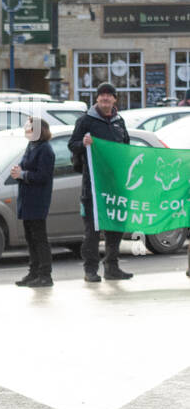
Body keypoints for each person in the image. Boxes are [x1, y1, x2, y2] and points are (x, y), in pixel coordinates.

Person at [67, 82, 132, 282]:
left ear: (114, 99)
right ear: (97, 99)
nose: (105, 99)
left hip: (116, 186)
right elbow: (72, 144)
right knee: (92, 231)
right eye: (102, 95)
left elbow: (126, 147)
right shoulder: (86, 121)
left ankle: (112, 267)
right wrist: (83, 143)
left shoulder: (119, 121)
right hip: (93, 187)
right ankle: (90, 270)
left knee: (115, 228)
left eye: (109, 96)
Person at [11, 117, 55, 287]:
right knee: (30, 237)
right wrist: (18, 171)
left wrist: (23, 175)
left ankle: (45, 274)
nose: (26, 132)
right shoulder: (31, 146)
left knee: (39, 237)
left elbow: (43, 176)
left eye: (29, 129)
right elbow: (24, 166)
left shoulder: (45, 149)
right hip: (27, 197)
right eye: (26, 129)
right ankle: (34, 271)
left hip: (38, 199)